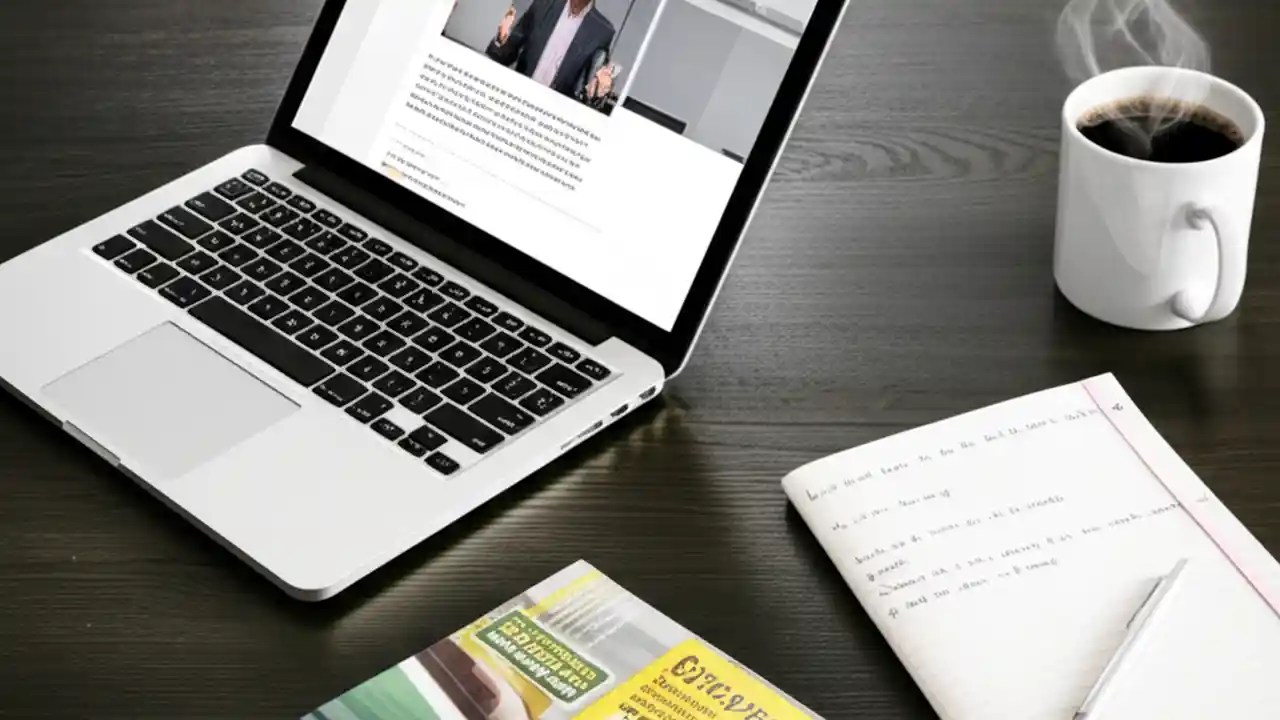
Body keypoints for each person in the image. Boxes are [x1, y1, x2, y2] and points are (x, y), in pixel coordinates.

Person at [485, 0, 617, 104]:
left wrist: (600, 89)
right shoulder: (543, 5)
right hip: (518, 99)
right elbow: (505, 55)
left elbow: (590, 88)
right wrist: (500, 40)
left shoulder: (603, 31)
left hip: (552, 119)